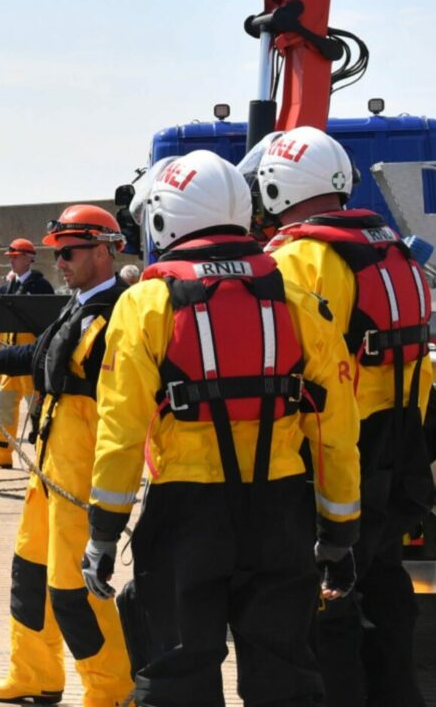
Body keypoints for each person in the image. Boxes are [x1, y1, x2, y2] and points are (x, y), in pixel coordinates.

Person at [85, 150, 360, 706]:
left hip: (185, 517)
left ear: (165, 216)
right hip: (280, 510)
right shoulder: (299, 299)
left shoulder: (145, 305)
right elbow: (335, 428)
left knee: (177, 676)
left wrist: (103, 532)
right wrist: (338, 532)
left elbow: (120, 432)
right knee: (285, 677)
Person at [257, 126, 433, 707]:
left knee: (326, 598)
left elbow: (293, 365)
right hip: (399, 441)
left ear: (277, 186)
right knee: (385, 584)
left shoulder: (297, 258)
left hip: (338, 450)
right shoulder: (395, 249)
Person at [0, 205, 136, 706]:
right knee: (29, 575)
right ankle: (35, 674)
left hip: (81, 474)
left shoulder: (121, 314)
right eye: (57, 254)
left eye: (69, 253)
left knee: (74, 590)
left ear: (104, 251)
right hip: (48, 468)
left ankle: (112, 691)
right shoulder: (77, 306)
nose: (60, 262)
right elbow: (34, 356)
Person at [0, 239, 52, 468]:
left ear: (29, 258)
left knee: (36, 411)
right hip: (11, 356)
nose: (11, 261)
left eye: (16, 257)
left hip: (29, 359)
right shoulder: (10, 285)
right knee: (3, 405)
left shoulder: (40, 286)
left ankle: (43, 460)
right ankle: (3, 455)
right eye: (10, 257)